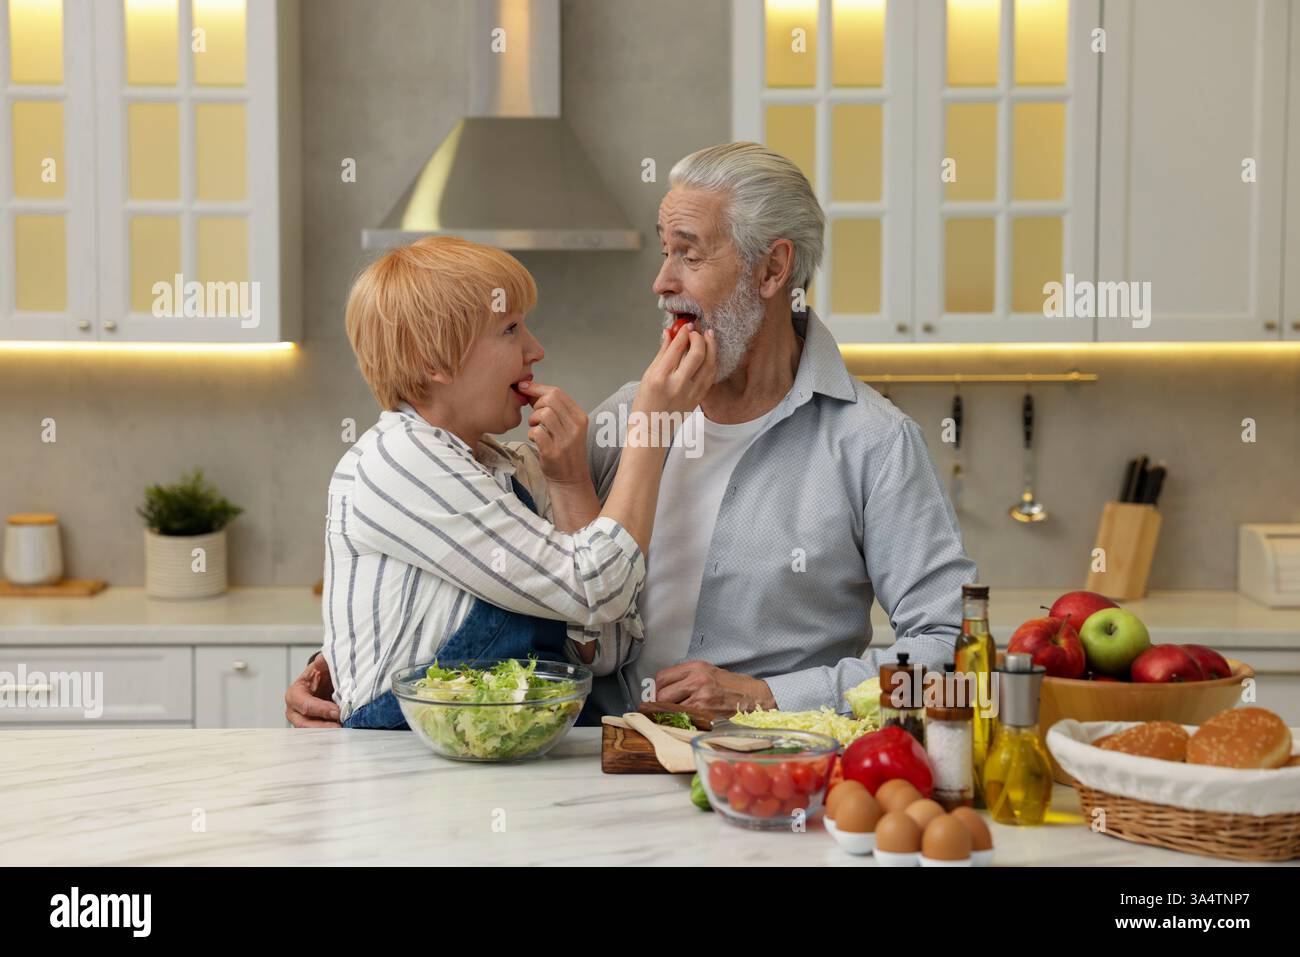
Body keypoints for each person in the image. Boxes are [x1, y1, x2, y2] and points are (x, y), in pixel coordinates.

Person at [287, 143, 975, 726]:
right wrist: (344, 663)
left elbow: (952, 663)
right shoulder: (621, 419)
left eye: (689, 255)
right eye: (662, 250)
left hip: (772, 784)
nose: (661, 281)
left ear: (772, 270)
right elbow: (494, 566)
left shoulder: (874, 444)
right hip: (594, 773)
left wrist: (767, 696)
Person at [313, 235, 715, 728]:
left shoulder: (508, 467)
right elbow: (598, 588)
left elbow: (604, 646)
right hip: (404, 763)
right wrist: (651, 431)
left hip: (492, 758)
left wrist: (569, 482)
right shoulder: (398, 460)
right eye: (509, 329)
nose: (536, 349)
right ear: (432, 362)